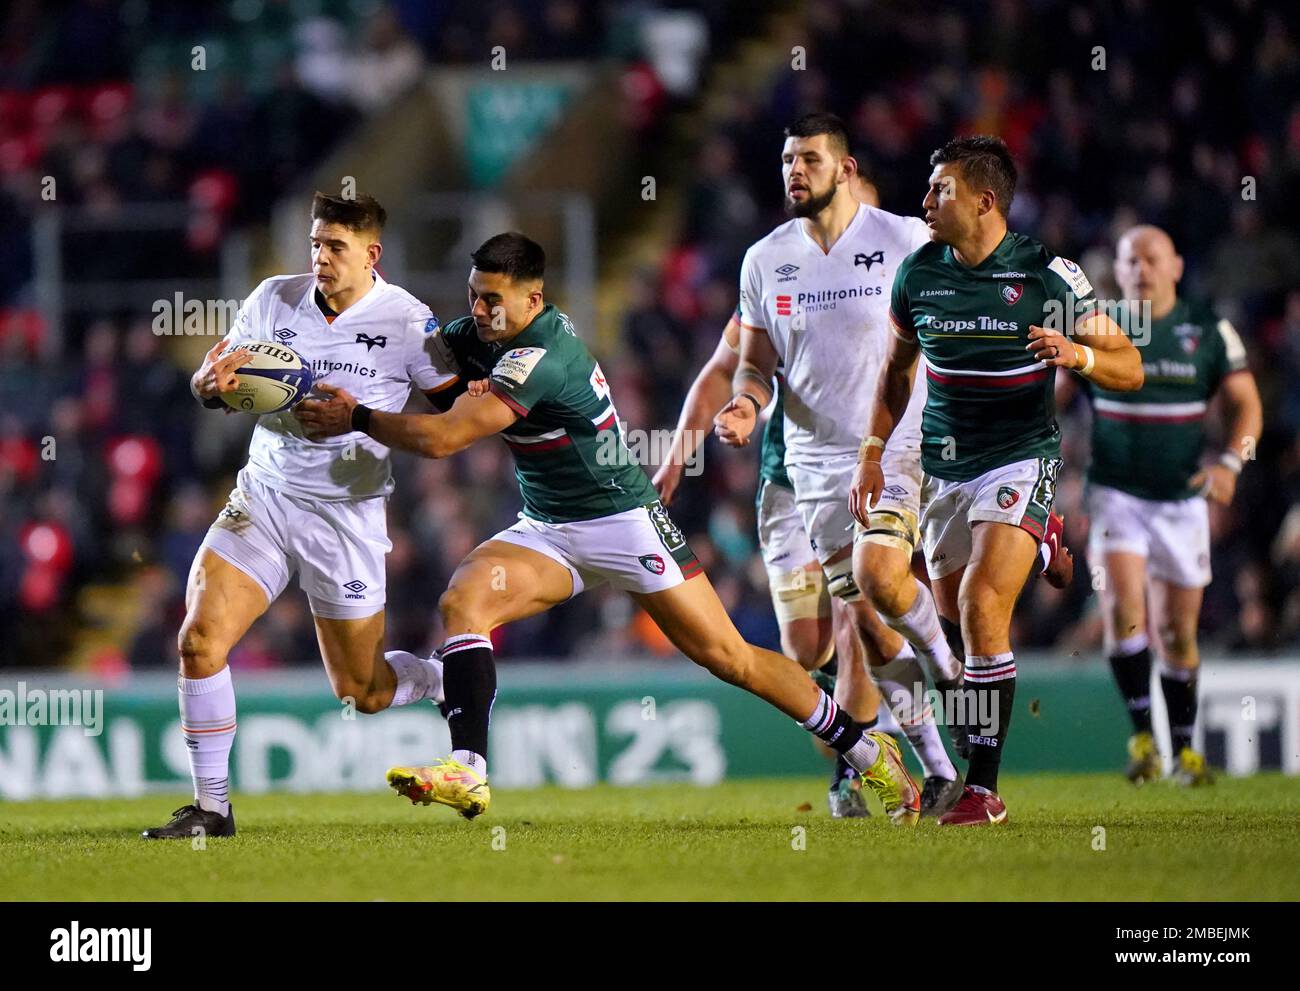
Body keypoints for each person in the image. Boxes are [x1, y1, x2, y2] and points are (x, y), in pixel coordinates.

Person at [298, 231, 924, 824]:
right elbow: (412, 353)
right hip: (548, 527)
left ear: (533, 298)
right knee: (463, 600)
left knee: (730, 658)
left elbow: (444, 439)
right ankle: (468, 768)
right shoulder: (474, 335)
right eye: (473, 296)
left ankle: (868, 752)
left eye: (493, 299)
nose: (480, 311)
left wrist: (356, 415)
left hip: (623, 521)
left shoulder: (545, 354)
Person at [142, 192, 458, 839]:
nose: (320, 258)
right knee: (199, 641)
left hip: (346, 517)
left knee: (362, 691)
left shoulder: (408, 322)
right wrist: (214, 385)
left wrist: (361, 420)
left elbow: (459, 415)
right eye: (315, 244)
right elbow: (210, 377)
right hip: (266, 494)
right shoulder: (271, 300)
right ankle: (212, 808)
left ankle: (441, 679)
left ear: (371, 254)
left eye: (335, 247)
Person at [852, 135, 1144, 825]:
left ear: (984, 200)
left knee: (986, 605)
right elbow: (896, 371)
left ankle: (982, 788)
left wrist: (1077, 352)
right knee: (955, 632)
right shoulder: (918, 274)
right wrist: (871, 450)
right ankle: (1041, 541)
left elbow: (1128, 364)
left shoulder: (1047, 275)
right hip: (945, 466)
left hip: (1020, 454)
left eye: (939, 189)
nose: (924, 200)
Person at [714, 113, 965, 816]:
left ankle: (950, 667)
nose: (796, 171)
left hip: (895, 448)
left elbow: (951, 320)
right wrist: (743, 404)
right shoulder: (765, 259)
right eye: (788, 160)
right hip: (814, 466)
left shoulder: (903, 240)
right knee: (873, 627)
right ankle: (938, 769)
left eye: (811, 160)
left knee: (878, 575)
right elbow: (757, 361)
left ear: (846, 169)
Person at [1060, 224, 1262, 786]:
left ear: (1175, 266)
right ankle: (1143, 738)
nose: (1141, 270)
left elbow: (1247, 409)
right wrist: (1057, 476)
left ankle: (1184, 751)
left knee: (1177, 633)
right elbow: (1052, 405)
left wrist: (1230, 464)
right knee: (1125, 612)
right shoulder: (1098, 327)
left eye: (1151, 259)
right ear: (1118, 272)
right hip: (1114, 493)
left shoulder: (1209, 328)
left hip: (1182, 497)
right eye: (1130, 261)